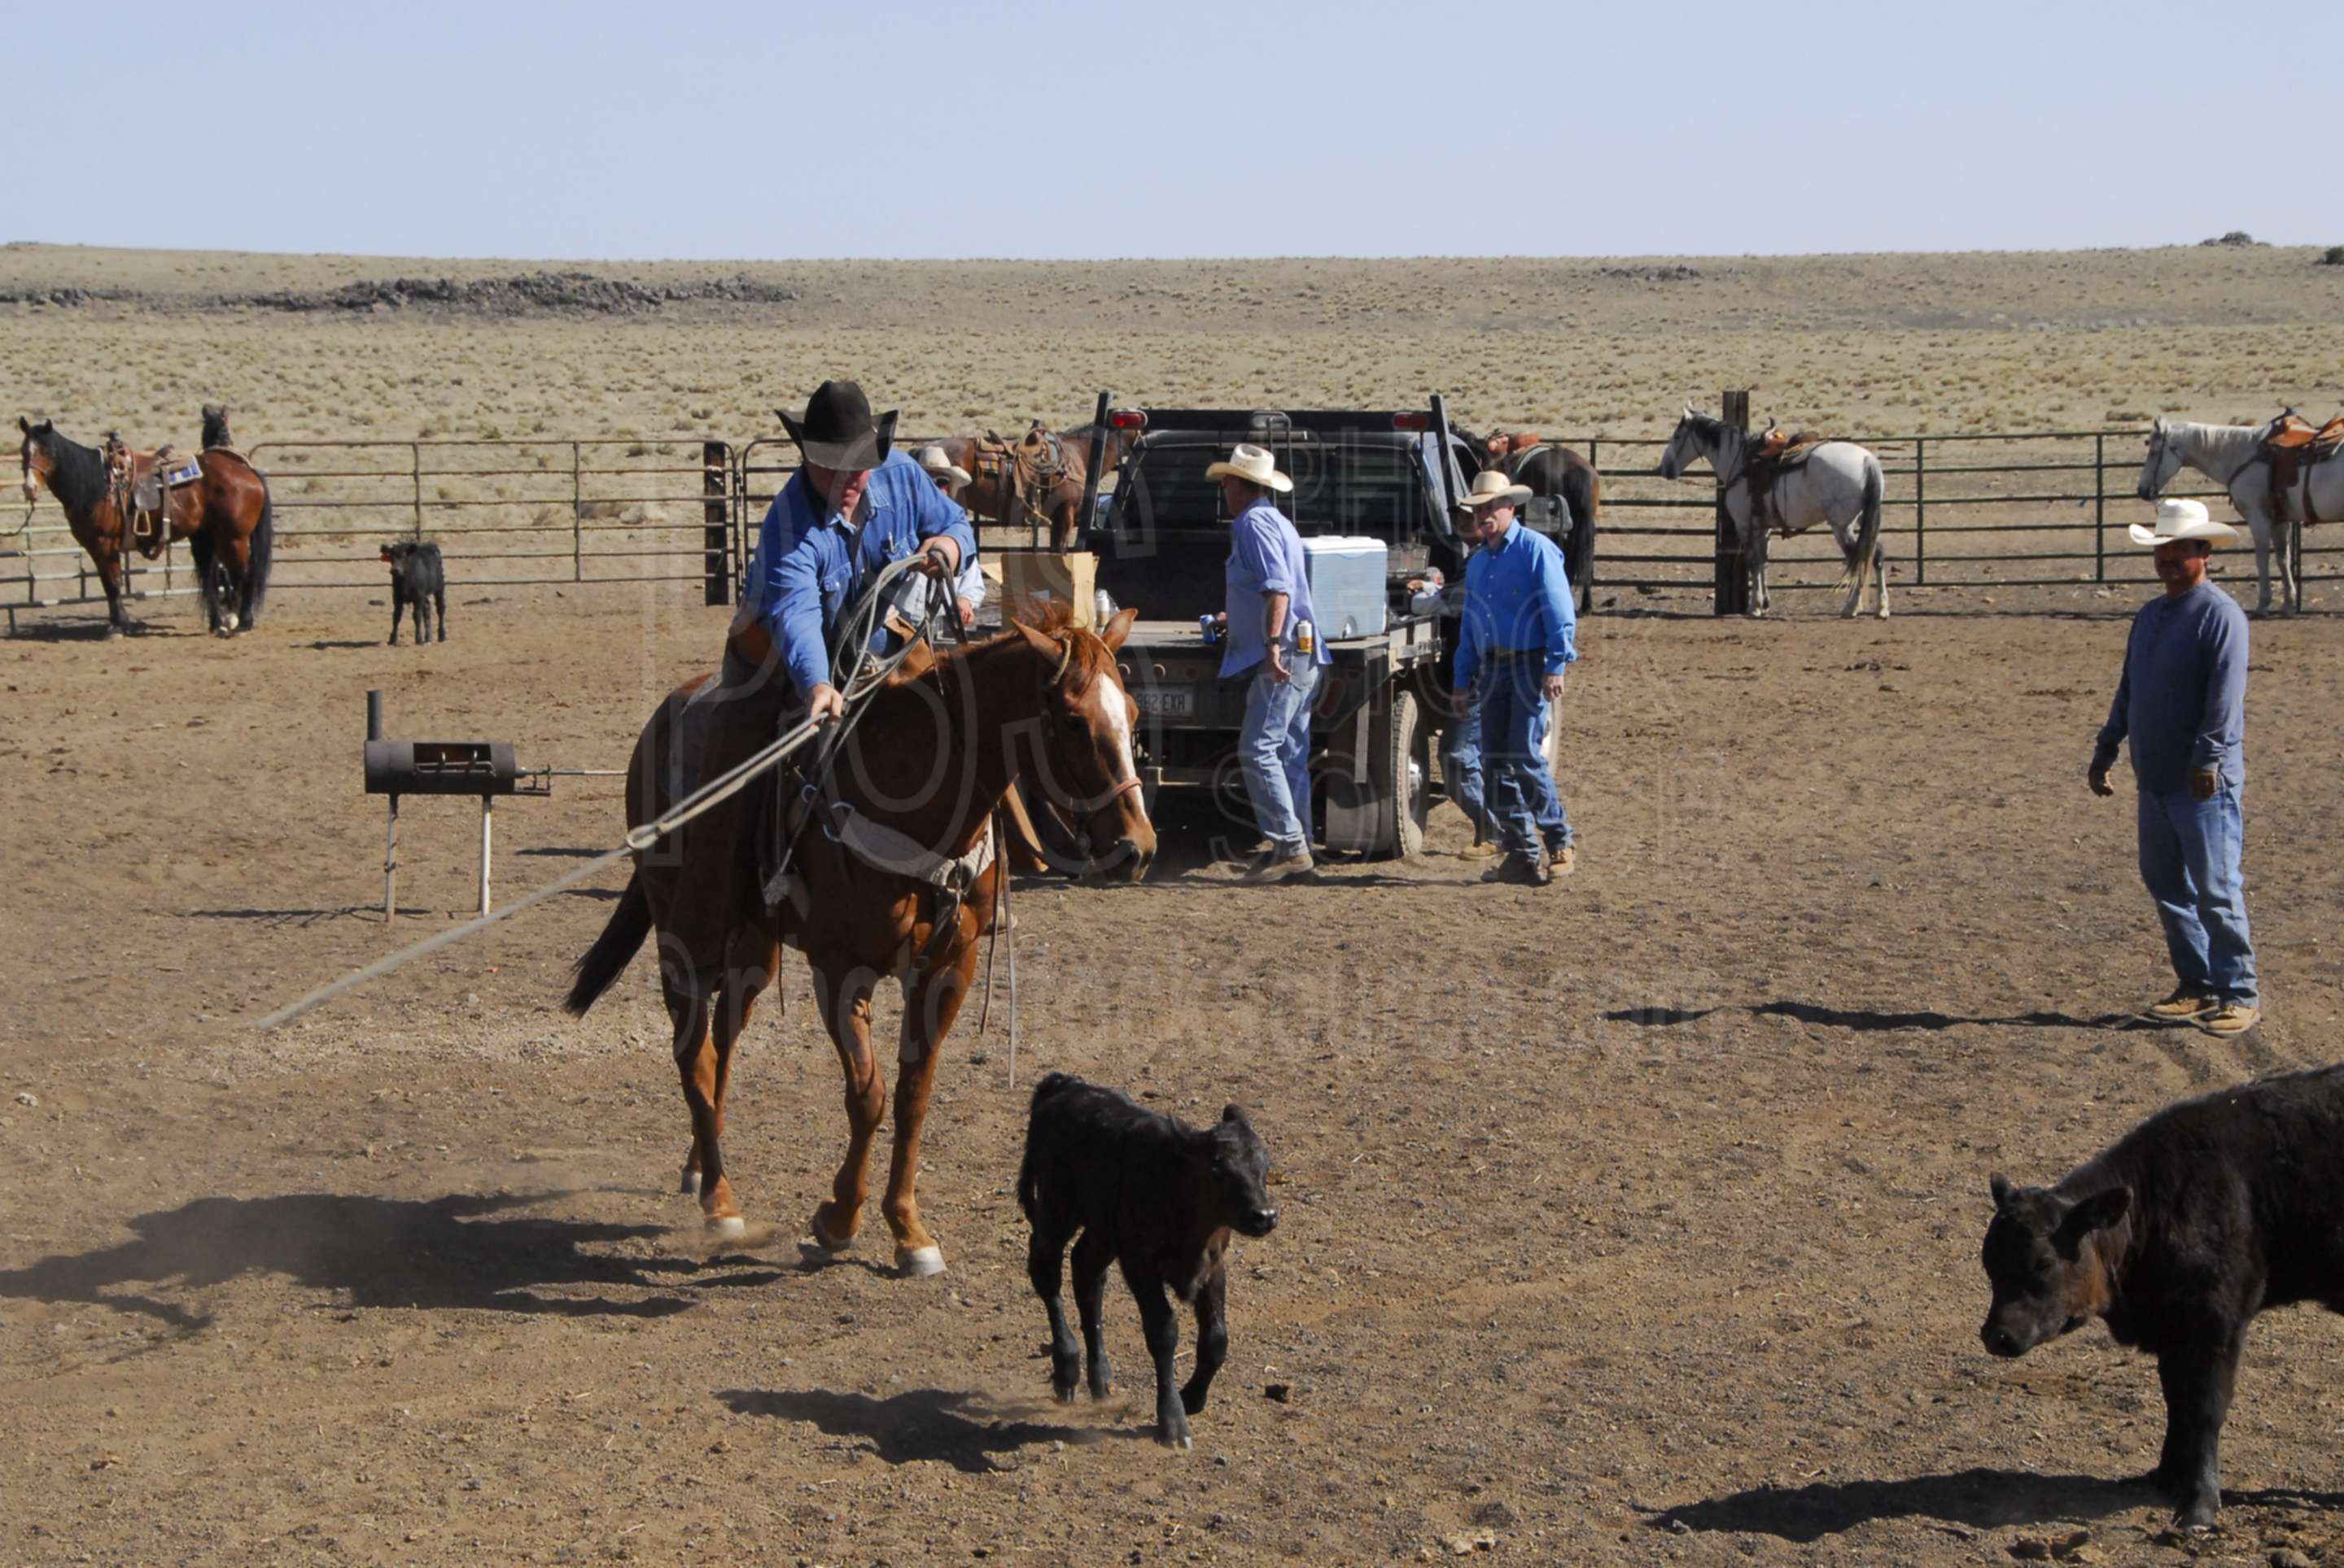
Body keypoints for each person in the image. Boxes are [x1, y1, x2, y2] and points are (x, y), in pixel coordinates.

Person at [2089, 496, 2258, 1035]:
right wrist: (2108, 744)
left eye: (2177, 549)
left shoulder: (2220, 615)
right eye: (2161, 548)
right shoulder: (2150, 616)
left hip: (2201, 781)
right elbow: (2131, 689)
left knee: (2216, 888)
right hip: (2156, 778)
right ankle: (2198, 983)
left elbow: (2224, 698)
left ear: (2203, 551)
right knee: (2166, 883)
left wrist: (2208, 756)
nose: (2166, 558)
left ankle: (2239, 991)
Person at [1451, 469, 1577, 887]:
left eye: (1491, 507)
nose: (1484, 515)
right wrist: (1462, 677)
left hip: (1529, 663)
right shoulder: (1479, 563)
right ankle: (1521, 853)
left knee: (1522, 755)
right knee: (1493, 764)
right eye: (1479, 509)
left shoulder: (1536, 550)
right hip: (1492, 667)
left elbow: (1559, 612)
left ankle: (1559, 841)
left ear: (1510, 507)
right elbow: (1471, 624)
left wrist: (1556, 665)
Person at [1211, 442, 1328, 883]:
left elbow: (1278, 589)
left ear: (1239, 485)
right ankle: (1297, 843)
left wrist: (1271, 645)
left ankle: (1291, 846)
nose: (1223, 487)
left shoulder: (1253, 524)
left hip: (1285, 654)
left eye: (1227, 480)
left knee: (1257, 748)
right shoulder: (1275, 520)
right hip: (1305, 650)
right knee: (1289, 751)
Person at [917, 444, 988, 629]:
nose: (935, 489)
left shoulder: (958, 533)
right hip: (900, 630)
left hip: (943, 623)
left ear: (949, 488)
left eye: (941, 482)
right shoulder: (900, 528)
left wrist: (965, 600)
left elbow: (973, 584)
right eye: (926, 482)